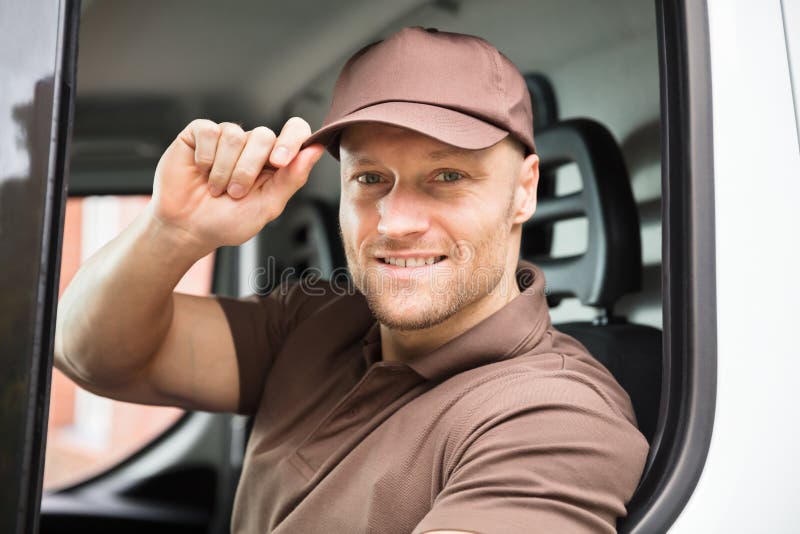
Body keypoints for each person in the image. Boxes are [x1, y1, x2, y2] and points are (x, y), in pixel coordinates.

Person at [55, 27, 648, 533]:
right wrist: (173, 231)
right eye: (370, 179)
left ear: (524, 191)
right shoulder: (316, 320)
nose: (396, 222)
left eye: (447, 175)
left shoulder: (555, 420)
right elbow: (88, 352)